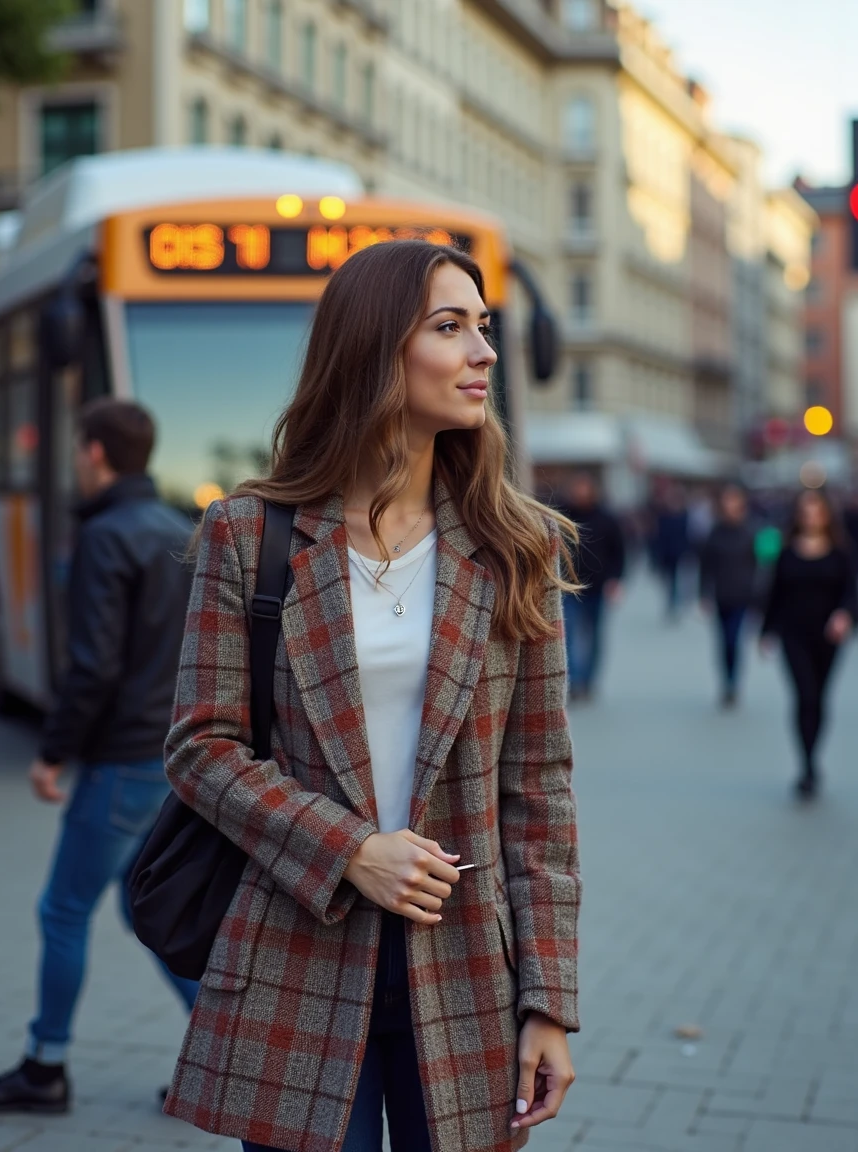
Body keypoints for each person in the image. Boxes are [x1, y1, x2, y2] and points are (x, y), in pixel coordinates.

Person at [161, 240, 582, 1152]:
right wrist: (351, 849)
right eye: (449, 327)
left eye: (484, 328)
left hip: (468, 970)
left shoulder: (519, 548)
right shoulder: (249, 535)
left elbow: (538, 791)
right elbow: (202, 746)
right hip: (294, 958)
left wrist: (549, 1002)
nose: (485, 353)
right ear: (374, 350)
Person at [0, 400, 198, 1114]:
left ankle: (45, 1067)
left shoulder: (103, 536)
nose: (75, 462)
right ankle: (225, 1052)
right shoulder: (174, 530)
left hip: (121, 759)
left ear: (96, 453)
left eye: (77, 451)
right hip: (169, 755)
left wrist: (53, 752)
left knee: (63, 910)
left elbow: (94, 665)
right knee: (143, 912)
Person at [760, 489, 858, 798]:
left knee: (819, 698)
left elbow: (852, 595)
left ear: (827, 515)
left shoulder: (842, 551)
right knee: (804, 697)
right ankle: (806, 766)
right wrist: (766, 631)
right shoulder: (786, 551)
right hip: (794, 633)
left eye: (816, 511)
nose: (810, 517)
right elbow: (773, 593)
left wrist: (845, 616)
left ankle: (813, 757)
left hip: (828, 637)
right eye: (805, 512)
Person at [553, 472, 625, 702]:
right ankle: (574, 681)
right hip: (568, 586)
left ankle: (589, 680)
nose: (580, 493)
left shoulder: (606, 518)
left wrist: (615, 580)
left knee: (594, 635)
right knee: (570, 635)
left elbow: (619, 552)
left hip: (598, 586)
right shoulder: (561, 516)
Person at [699, 484, 758, 707]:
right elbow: (705, 565)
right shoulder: (715, 531)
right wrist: (703, 594)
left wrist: (760, 595)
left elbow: (763, 565)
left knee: (734, 639)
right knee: (723, 642)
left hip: (744, 595)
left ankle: (734, 683)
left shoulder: (752, 530)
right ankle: (726, 681)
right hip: (721, 594)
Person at [651, 484, 690, 619]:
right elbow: (659, 536)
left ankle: (674, 602)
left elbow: (686, 536)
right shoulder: (663, 516)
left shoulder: (683, 516)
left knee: (675, 579)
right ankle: (672, 601)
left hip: (677, 554)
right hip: (666, 554)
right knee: (668, 579)